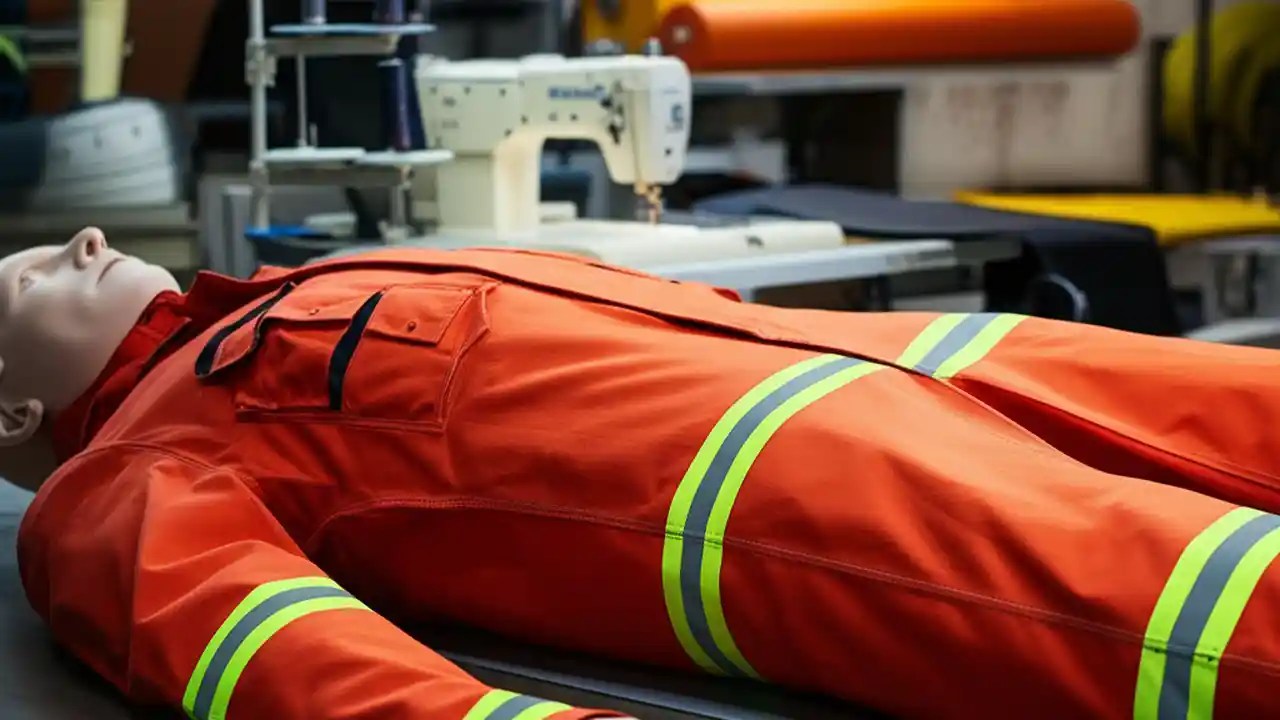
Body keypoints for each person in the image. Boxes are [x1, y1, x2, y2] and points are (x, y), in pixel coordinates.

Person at [2, 227, 1280, 720]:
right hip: (813, 493)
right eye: (32, 275)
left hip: (903, 358)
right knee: (1203, 602)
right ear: (13, 410)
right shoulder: (125, 477)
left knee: (1242, 402)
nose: (85, 238)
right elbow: (277, 658)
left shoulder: (284, 288)